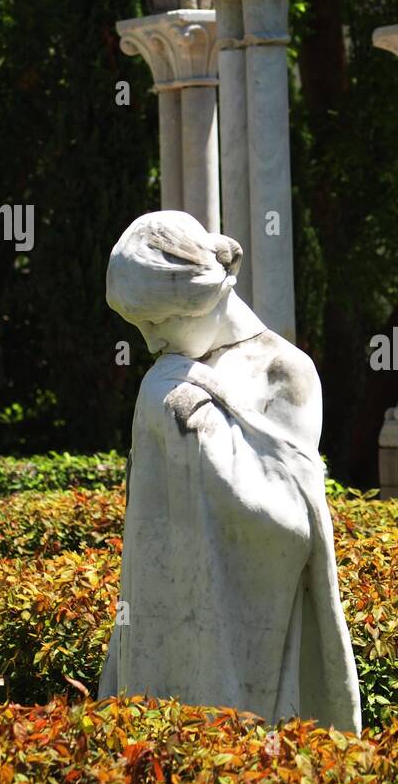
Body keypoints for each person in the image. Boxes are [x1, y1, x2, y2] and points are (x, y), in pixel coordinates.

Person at [99, 210, 361, 733]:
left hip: (254, 635)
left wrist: (210, 434)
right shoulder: (169, 373)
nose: (150, 342)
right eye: (140, 328)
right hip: (170, 619)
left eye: (156, 322)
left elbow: (293, 518)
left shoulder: (284, 370)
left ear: (201, 296)